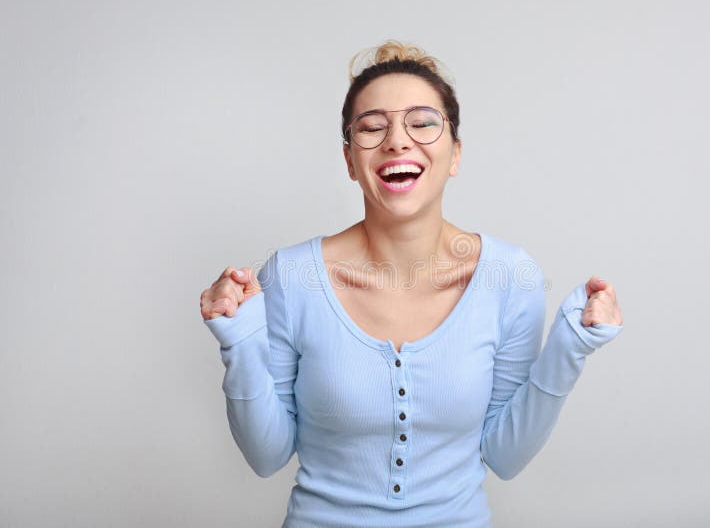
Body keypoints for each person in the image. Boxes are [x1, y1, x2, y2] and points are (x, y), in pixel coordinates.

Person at [199, 40, 624, 528]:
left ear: (456, 153)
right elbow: (266, 455)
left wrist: (569, 348)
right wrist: (240, 341)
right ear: (349, 161)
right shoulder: (291, 276)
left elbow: (505, 456)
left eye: (422, 123)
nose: (397, 141)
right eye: (372, 127)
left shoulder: (510, 276)